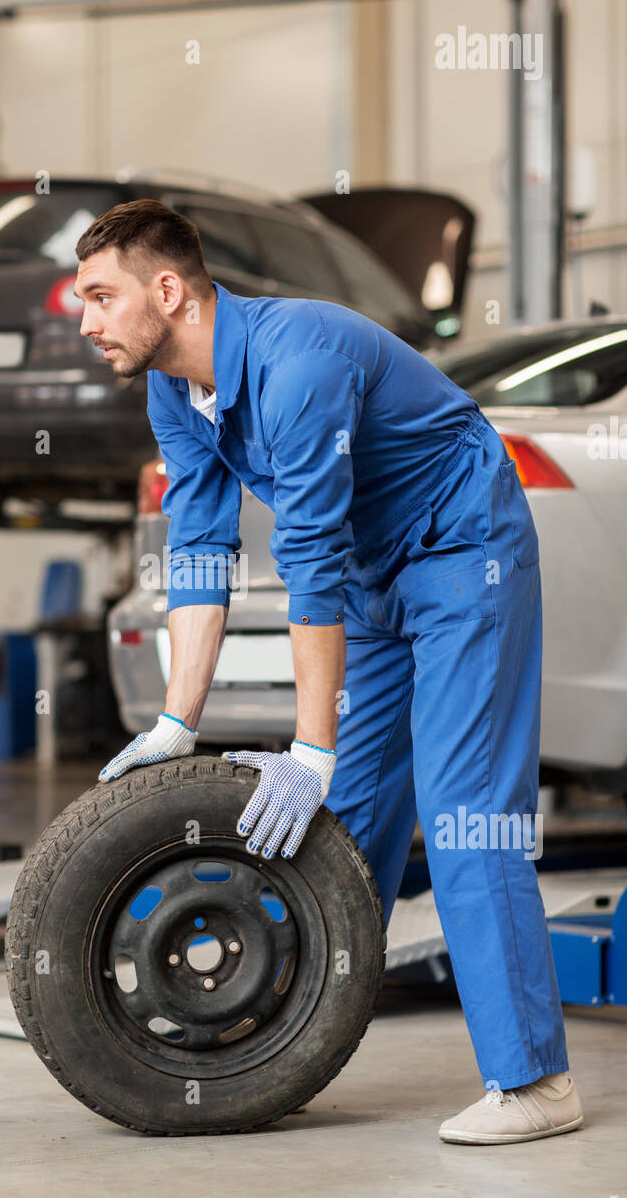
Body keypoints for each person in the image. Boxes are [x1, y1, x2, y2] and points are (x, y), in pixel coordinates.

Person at [72, 197, 583, 1146]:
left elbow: (305, 564)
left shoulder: (300, 361)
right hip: (371, 572)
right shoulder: (174, 390)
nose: (87, 320)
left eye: (102, 297)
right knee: (348, 816)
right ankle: (291, 1045)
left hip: (462, 547)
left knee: (463, 803)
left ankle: (537, 1080)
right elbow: (198, 552)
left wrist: (309, 744)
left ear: (169, 290)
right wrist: (179, 721)